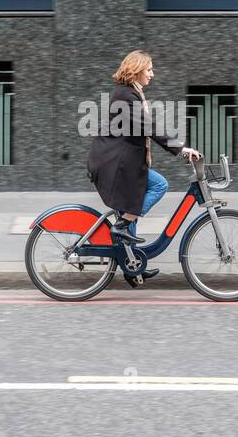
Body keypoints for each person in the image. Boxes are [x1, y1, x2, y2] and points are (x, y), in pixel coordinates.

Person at [86, 50, 201, 283]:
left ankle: (132, 264)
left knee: (132, 208)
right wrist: (181, 149)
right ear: (137, 70)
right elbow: (150, 127)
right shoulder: (125, 96)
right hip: (115, 165)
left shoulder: (130, 93)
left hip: (120, 162)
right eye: (149, 69)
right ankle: (121, 224)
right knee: (159, 185)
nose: (152, 74)